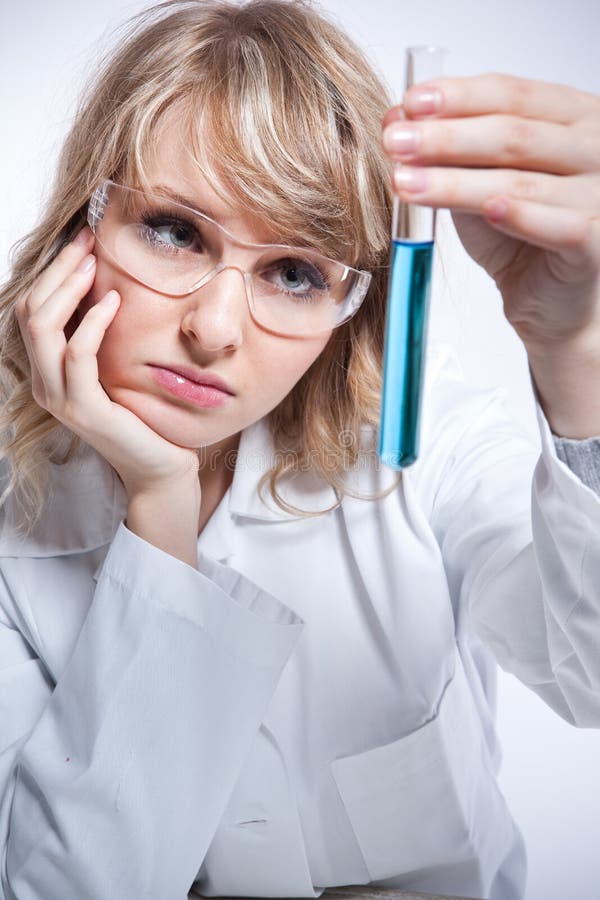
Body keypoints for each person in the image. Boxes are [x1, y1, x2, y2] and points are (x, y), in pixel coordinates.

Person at [0, 1, 599, 898]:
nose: (212, 330)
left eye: (293, 273)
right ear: (81, 229)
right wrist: (160, 512)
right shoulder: (15, 516)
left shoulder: (421, 441)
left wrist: (574, 352)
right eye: (174, 229)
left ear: (352, 305)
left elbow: (585, 678)